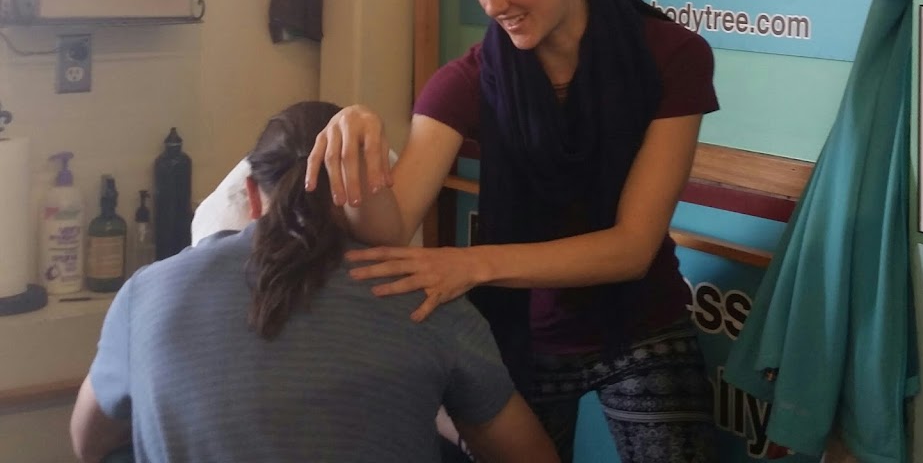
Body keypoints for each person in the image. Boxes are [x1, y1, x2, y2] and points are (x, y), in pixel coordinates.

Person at [306, 0, 721, 462]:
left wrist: (470, 265)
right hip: (519, 336)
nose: (494, 4)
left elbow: (632, 247)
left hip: (641, 324)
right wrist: (359, 130)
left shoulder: (673, 57)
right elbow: (389, 229)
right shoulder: (466, 81)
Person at [69, 101, 559, 463]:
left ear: (250, 196)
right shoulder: (424, 296)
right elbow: (531, 457)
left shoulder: (147, 292)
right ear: (367, 199)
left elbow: (87, 442)